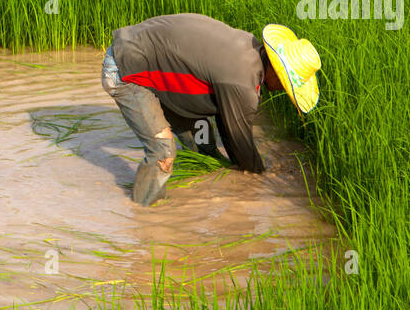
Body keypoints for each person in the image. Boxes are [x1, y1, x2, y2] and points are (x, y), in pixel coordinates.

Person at [101, 13, 321, 206]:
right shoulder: (242, 82)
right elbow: (238, 138)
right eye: (285, 84)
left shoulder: (248, 45)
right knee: (163, 151)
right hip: (126, 69)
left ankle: (198, 180)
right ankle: (145, 215)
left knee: (203, 144)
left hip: (146, 55)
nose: (282, 89)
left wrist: (228, 162)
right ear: (275, 69)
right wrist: (259, 177)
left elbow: (226, 122)